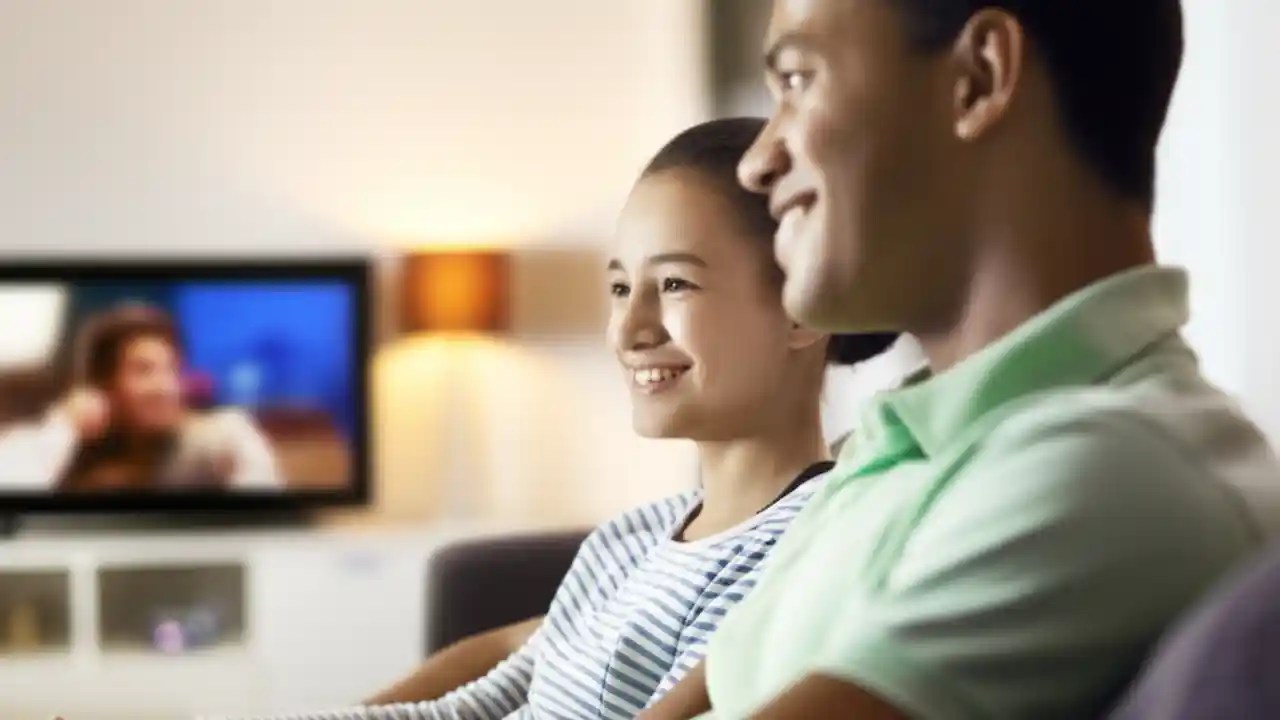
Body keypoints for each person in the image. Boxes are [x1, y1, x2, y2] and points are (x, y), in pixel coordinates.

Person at [641, 1, 1280, 719]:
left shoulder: (1103, 468)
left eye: (796, 80)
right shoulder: (905, 445)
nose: (759, 162)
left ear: (978, 77)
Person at [209, 119, 897, 720]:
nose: (629, 329)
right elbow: (463, 710)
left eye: (676, 284)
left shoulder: (812, 543)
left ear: (802, 305)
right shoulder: (629, 540)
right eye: (621, 287)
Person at [0, 304, 281, 490]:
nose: (166, 387)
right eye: (143, 370)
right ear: (102, 386)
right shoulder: (67, 447)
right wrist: (65, 426)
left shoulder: (218, 440)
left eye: (172, 369)